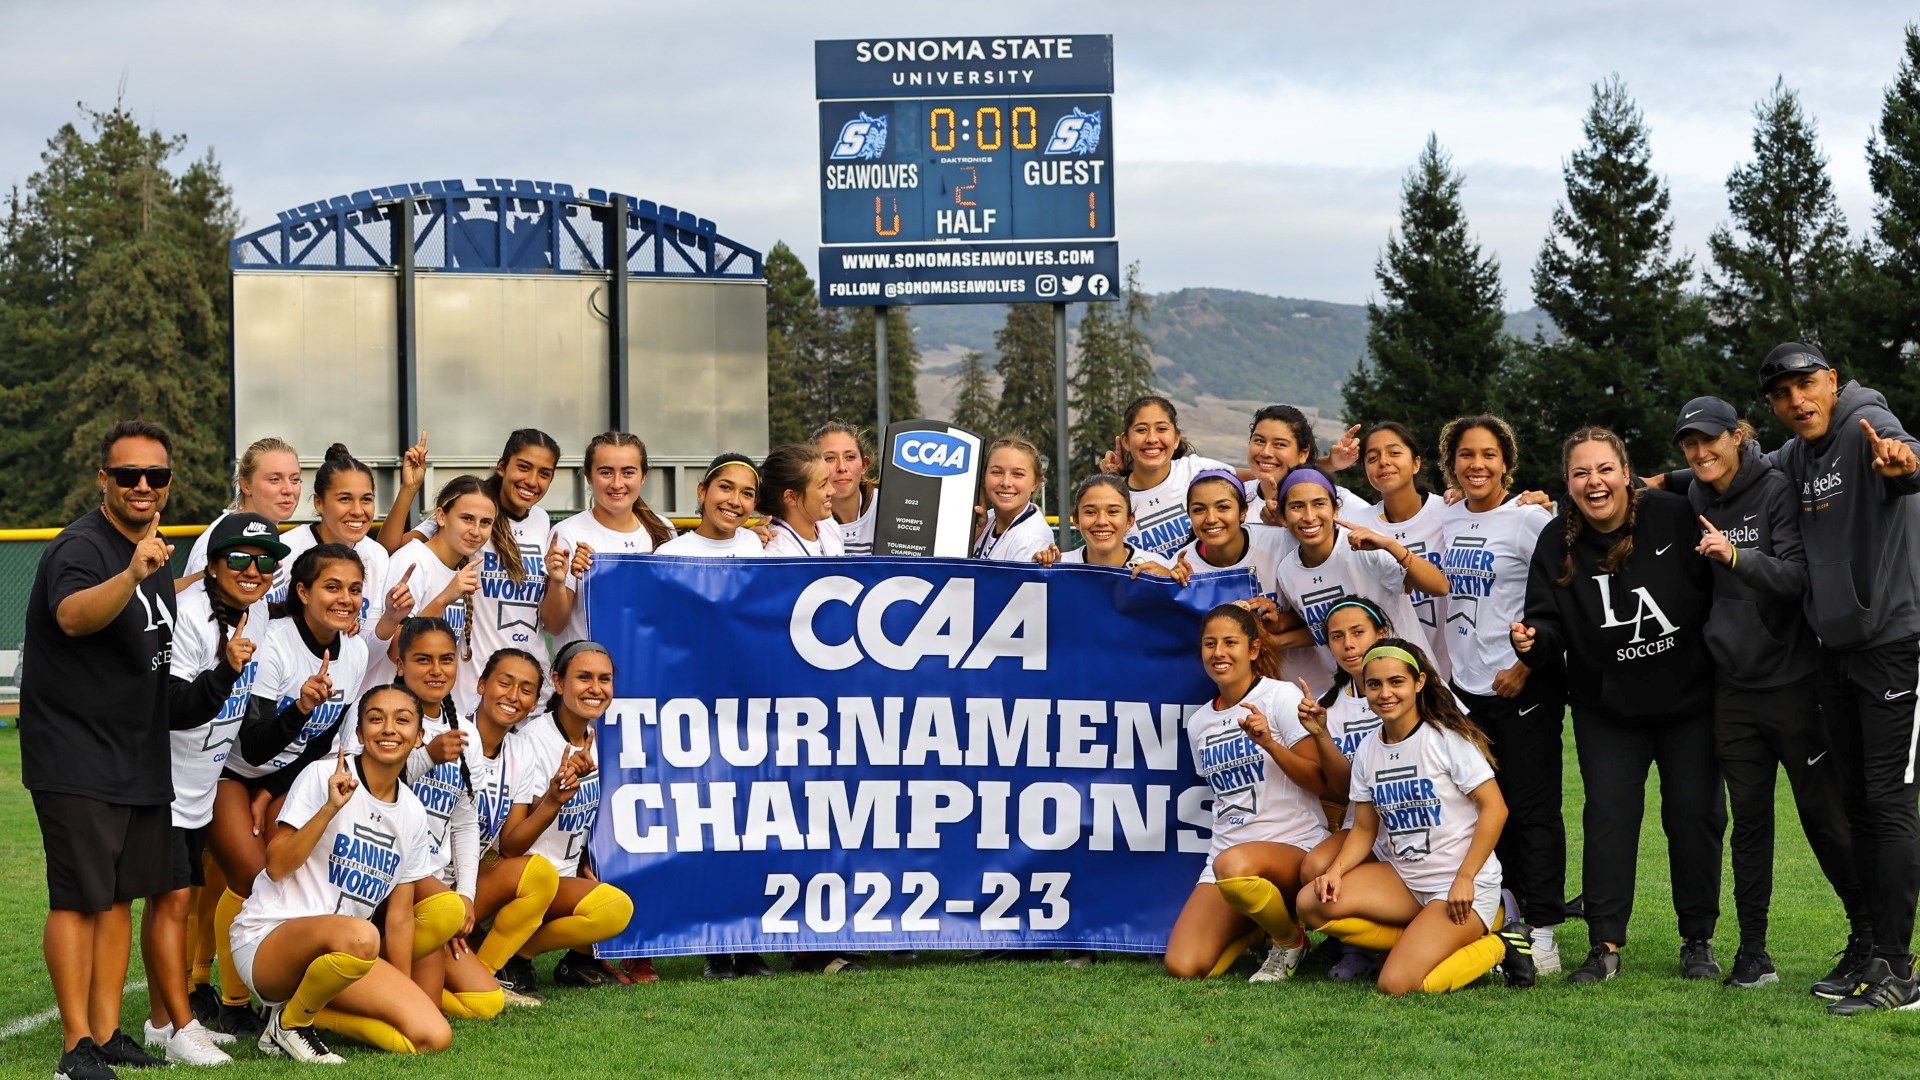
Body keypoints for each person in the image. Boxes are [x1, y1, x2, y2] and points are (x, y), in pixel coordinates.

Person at [1511, 426, 1723, 985]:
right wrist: (1532, 642)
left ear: (1626, 472)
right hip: (1607, 711)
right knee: (1608, 821)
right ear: (1568, 483)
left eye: (1604, 469)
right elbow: (1548, 624)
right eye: (1580, 473)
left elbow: (1716, 585)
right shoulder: (1556, 539)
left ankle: (1697, 939)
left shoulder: (1676, 516)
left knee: (1695, 818)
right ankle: (1604, 945)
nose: (1594, 482)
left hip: (1690, 706)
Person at [1671, 395, 1867, 991]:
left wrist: (1734, 555)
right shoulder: (1697, 492)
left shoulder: (1778, 486)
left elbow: (1796, 577)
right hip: (1733, 690)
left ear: (1738, 436)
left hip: (1793, 683)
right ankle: (1753, 954)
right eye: (1690, 444)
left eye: (1711, 440)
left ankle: (1868, 940)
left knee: (1824, 819)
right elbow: (1672, 481)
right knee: (1749, 824)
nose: (1701, 453)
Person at [1751, 343, 1920, 1013]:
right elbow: (1739, 471)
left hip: (1895, 645)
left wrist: (1904, 463)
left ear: (1833, 383)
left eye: (1808, 385)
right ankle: (1876, 952)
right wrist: (1654, 484)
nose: (1798, 400)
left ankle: (1903, 973)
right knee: (1857, 805)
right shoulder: (1796, 455)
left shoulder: (1865, 424)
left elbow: (1905, 457)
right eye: (1783, 392)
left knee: (1888, 803)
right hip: (1834, 651)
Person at [23, 421, 180, 1079]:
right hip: (76, 753)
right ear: (103, 481)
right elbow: (72, 616)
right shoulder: (83, 548)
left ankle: (109, 1032)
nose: (142, 486)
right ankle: (75, 1047)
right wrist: (131, 574)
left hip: (136, 752)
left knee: (120, 897)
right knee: (80, 899)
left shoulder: (149, 548)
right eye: (127, 476)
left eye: (155, 476)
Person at [208, 543, 396, 1039]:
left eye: (355, 589)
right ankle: (231, 1002)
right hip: (231, 768)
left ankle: (290, 1001)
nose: (346, 599)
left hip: (283, 775)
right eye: (332, 587)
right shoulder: (275, 640)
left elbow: (324, 744)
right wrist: (301, 708)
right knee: (252, 878)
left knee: (285, 877)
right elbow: (251, 741)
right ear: (302, 590)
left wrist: (276, 789)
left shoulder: (353, 650)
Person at [1298, 638, 1535, 994]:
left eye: (1396, 682)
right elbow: (1364, 828)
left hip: (1459, 885)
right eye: (1374, 684)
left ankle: (1503, 942)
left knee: (1396, 984)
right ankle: (1414, 941)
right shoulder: (1367, 750)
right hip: (1405, 880)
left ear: (1419, 682)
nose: (1385, 693)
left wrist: (1466, 878)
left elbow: (1495, 809)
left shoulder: (1446, 738)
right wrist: (1335, 871)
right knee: (1311, 904)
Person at [228, 685, 452, 1060]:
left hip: (344, 955)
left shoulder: (413, 812)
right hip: (271, 940)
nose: (389, 729)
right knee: (363, 935)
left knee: (432, 1035)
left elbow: (399, 917)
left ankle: (294, 1018)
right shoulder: (322, 776)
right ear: (360, 733)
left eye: (403, 720)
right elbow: (277, 865)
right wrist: (330, 809)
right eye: (376, 719)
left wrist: (401, 988)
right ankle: (293, 1024)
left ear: (419, 737)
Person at [142, 512, 285, 1065]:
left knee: (171, 904)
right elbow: (175, 710)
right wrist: (225, 671)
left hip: (203, 782)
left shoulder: (261, 609)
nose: (254, 570)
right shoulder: (189, 616)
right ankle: (181, 1025)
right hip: (166, 783)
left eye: (267, 561)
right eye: (241, 559)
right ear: (213, 564)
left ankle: (161, 1021)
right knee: (172, 902)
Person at [1436, 414, 1567, 975]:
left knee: (1533, 810)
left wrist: (1525, 664)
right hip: (1466, 695)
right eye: (1466, 455)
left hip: (1521, 684)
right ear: (1452, 464)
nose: (1477, 465)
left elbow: (1562, 597)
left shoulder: (1529, 520)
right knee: (1485, 813)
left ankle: (1543, 930)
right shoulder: (1445, 517)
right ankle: (1504, 921)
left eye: (1489, 455)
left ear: (1507, 463)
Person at [1163, 603, 1327, 983]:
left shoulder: (1280, 696)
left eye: (1230, 642)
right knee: (1185, 966)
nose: (1219, 652)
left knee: (1233, 865)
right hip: (1227, 855)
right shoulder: (1200, 721)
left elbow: (1319, 780)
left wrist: (1269, 743)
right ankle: (1259, 923)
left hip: (1292, 845)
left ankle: (1289, 940)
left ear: (1253, 649)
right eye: (1210, 644)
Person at [496, 641, 640, 988]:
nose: (596, 688)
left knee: (629, 881)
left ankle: (576, 961)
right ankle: (512, 957)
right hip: (526, 880)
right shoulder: (534, 741)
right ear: (558, 683)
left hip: (563, 871)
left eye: (604, 679)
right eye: (584, 678)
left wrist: (582, 865)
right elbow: (510, 844)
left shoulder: (591, 734)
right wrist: (553, 797)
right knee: (612, 908)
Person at [386, 430, 560, 712]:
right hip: (474, 684)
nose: (531, 480)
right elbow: (392, 549)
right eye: (523, 467)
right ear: (502, 466)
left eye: (544, 473)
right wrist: (408, 489)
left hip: (530, 684)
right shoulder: (472, 508)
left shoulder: (541, 521)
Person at [1272, 467, 1451, 691]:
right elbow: (1318, 630)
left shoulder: (1365, 548)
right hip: (1354, 698)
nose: (1309, 516)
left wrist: (1390, 545)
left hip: (1411, 684)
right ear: (1282, 516)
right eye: (1297, 506)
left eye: (1319, 504)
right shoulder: (1288, 571)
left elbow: (1440, 586)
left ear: (1335, 510)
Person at [1294, 596, 1392, 982]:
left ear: (1380, 634)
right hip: (1363, 822)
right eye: (1337, 637)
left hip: (1418, 819)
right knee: (1315, 868)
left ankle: (1375, 943)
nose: (1348, 644)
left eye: (1357, 633)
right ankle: (1357, 943)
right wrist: (1320, 735)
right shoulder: (1327, 705)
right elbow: (1338, 790)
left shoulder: (1414, 686)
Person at [540, 431, 677, 645]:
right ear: (588, 477)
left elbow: (669, 614)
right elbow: (554, 626)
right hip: (587, 673)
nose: (616, 483)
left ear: (643, 476)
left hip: (646, 667)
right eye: (606, 472)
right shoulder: (568, 532)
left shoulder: (663, 530)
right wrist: (559, 582)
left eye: (628, 472)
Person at [372, 476, 492, 691]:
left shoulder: (458, 568)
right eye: (466, 518)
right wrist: (444, 599)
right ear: (441, 516)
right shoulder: (414, 561)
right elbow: (396, 651)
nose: (476, 531)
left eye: (485, 522)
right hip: (386, 706)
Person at [1104, 395, 1242, 557]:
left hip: (1202, 581)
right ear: (1126, 441)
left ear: (1176, 439)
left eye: (1161, 429)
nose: (1152, 439)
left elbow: (1256, 481)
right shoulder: (1113, 497)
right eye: (1141, 430)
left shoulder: (1194, 469)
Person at [1357, 422, 1449, 643]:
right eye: (1372, 458)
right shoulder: (1359, 524)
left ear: (1416, 463)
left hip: (1455, 663)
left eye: (1394, 453)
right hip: (1396, 663)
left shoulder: (1450, 511)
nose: (1384, 462)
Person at [178, 436, 302, 594]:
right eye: (274, 479)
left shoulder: (267, 534)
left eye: (295, 479)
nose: (288, 489)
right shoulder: (220, 539)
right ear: (245, 485)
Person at [1245, 404, 1363, 527]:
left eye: (1280, 444)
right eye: (1259, 441)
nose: (1265, 452)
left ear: (1303, 453)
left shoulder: (1337, 499)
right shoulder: (1236, 496)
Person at [1033, 474, 1176, 575]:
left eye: (1113, 512)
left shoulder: (1157, 568)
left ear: (1129, 521)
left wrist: (1170, 585)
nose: (1101, 521)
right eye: (1090, 512)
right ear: (1076, 520)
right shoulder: (1058, 566)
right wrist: (1041, 575)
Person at [656, 454, 767, 558]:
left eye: (747, 494)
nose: (735, 501)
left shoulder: (753, 543)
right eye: (726, 487)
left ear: (754, 504)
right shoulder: (669, 555)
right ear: (702, 491)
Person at [973, 437, 1055, 563]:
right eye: (996, 472)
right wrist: (976, 532)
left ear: (1035, 483)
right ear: (984, 477)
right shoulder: (986, 519)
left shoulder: (1032, 538)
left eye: (1018, 474)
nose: (1006, 483)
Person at [760, 443, 846, 557]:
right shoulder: (777, 552)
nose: (832, 491)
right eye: (823, 484)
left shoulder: (829, 526)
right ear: (791, 497)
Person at [814, 421, 879, 555]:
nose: (842, 467)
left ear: (864, 465)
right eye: (830, 458)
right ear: (813, 467)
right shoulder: (803, 515)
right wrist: (758, 537)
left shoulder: (888, 507)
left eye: (850, 457)